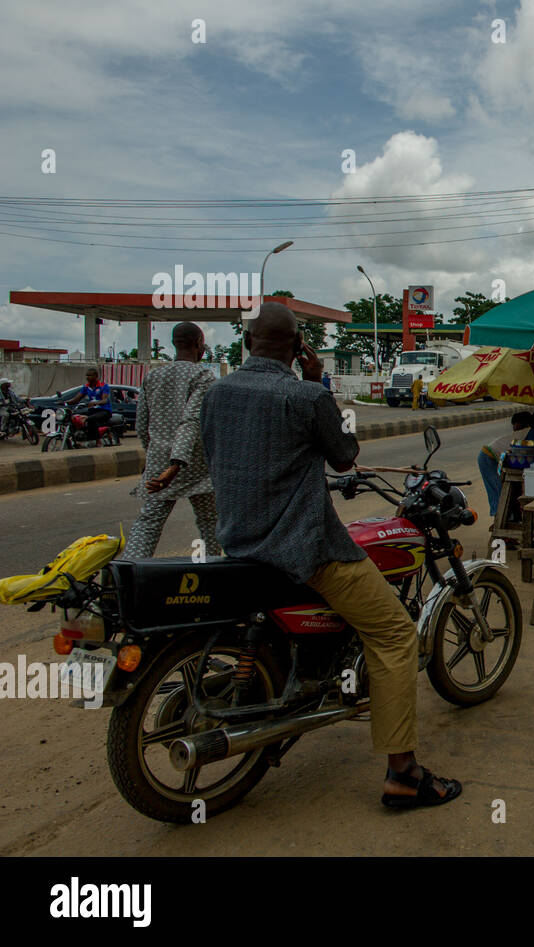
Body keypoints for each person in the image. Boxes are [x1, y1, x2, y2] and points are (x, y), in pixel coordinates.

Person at [200, 302, 459, 809]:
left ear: (247, 342)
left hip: (238, 543)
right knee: (393, 632)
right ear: (299, 349)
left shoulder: (217, 394)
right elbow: (345, 455)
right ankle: (403, 773)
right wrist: (320, 384)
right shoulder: (303, 396)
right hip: (306, 551)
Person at [123, 323, 219, 559]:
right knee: (210, 524)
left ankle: (130, 575)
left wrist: (154, 456)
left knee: (149, 522)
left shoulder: (153, 376)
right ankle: (213, 573)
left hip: (160, 466)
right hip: (196, 466)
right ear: (199, 344)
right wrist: (176, 464)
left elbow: (142, 425)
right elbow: (193, 421)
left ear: (175, 344)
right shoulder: (203, 376)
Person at [478, 410, 534, 517]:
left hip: (489, 456)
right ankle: (500, 516)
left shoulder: (527, 432)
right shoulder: (530, 433)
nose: (513, 428)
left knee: (500, 489)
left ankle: (506, 515)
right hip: (487, 457)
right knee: (497, 490)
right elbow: (533, 452)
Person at [65, 367, 114, 436]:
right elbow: (76, 399)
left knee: (90, 419)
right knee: (73, 417)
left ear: (96, 376)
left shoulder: (103, 386)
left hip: (104, 410)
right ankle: (76, 436)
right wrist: (65, 402)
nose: (87, 377)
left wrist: (95, 403)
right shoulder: (86, 387)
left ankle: (96, 439)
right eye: (87, 375)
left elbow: (104, 400)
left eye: (90, 375)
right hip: (92, 410)